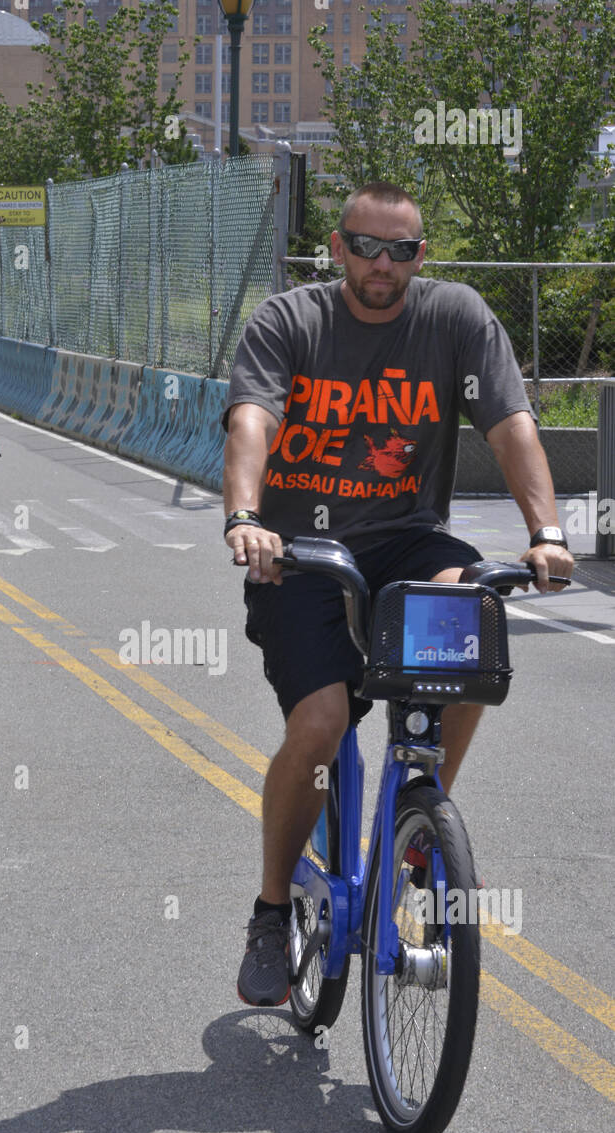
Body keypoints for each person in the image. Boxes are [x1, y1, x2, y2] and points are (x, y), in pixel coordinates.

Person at [222, 180, 574, 1008]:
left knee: (470, 620)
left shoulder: (454, 317)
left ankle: (417, 826)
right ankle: (272, 910)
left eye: (403, 249)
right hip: (301, 553)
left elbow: (511, 424)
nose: (384, 264)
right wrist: (246, 517)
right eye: (367, 246)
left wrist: (549, 532)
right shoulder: (291, 321)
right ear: (337, 248)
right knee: (322, 723)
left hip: (406, 538)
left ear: (423, 254)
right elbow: (251, 422)